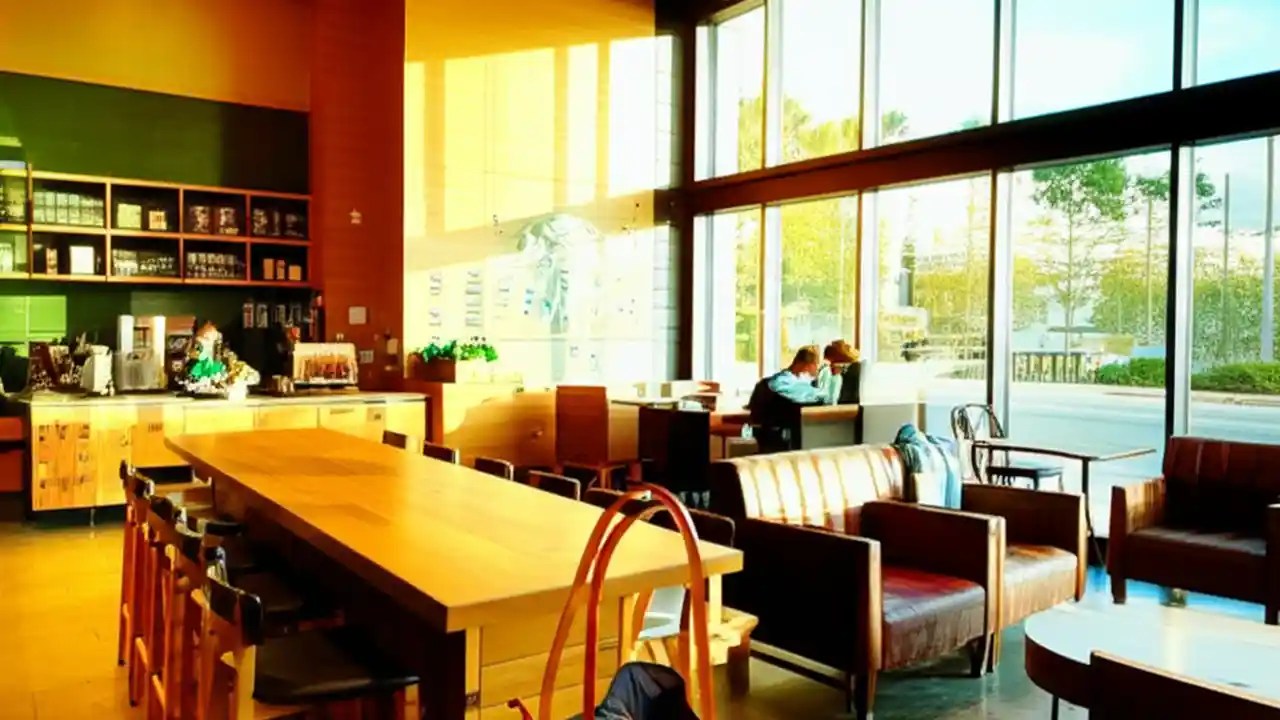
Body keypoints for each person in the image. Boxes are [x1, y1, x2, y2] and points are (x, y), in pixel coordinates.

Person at [747, 346, 827, 453]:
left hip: (783, 431)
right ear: (807, 365)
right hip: (775, 435)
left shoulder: (797, 381)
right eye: (816, 365)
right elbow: (804, 394)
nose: (817, 370)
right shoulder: (782, 381)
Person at [815, 339, 858, 405]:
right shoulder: (825, 372)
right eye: (828, 363)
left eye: (833, 362)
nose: (830, 367)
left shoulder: (854, 371)